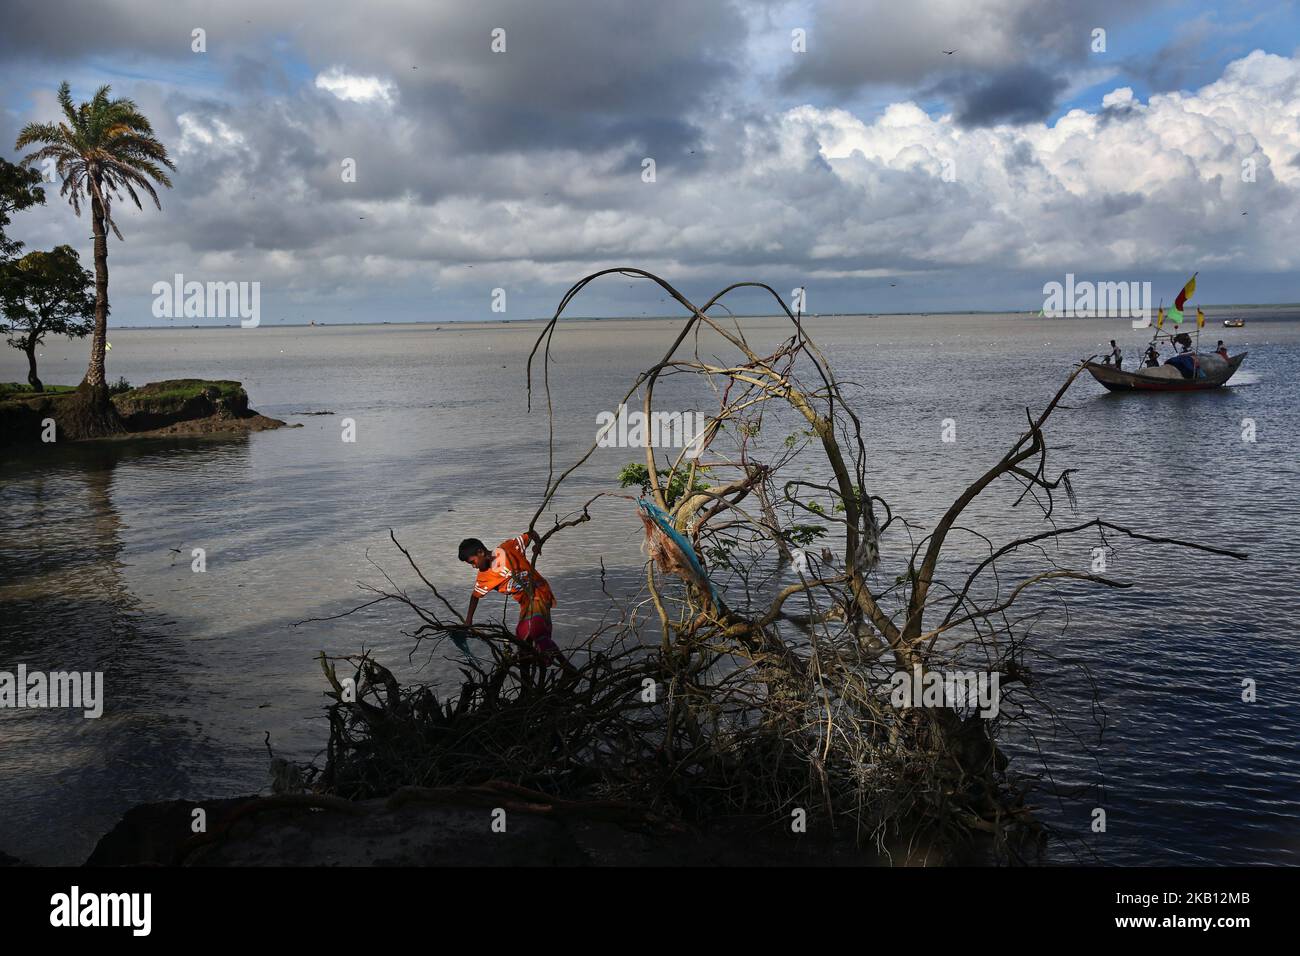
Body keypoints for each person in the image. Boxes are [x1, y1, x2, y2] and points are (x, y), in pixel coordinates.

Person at [460, 532, 570, 674]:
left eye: (472, 562)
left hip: (539, 592)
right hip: (525, 604)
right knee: (522, 640)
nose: (473, 567)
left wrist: (537, 544)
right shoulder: (484, 577)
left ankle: (564, 667)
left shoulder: (508, 548)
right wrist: (468, 621)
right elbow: (475, 596)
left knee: (536, 631)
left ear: (480, 552)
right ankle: (528, 681)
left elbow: (530, 534)